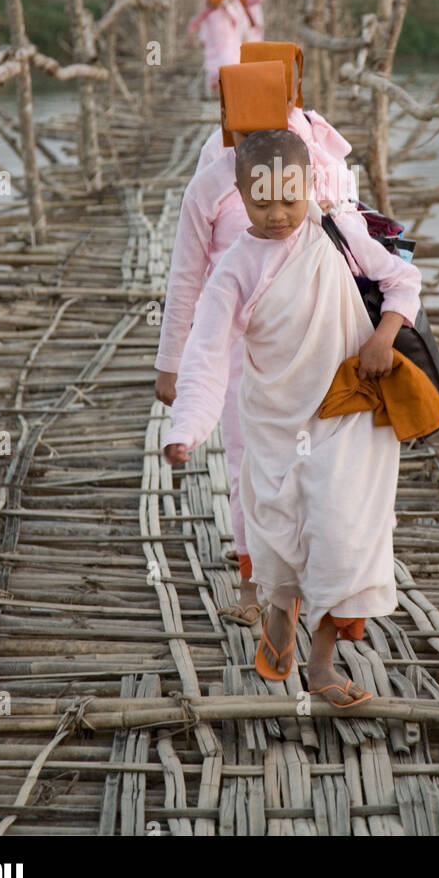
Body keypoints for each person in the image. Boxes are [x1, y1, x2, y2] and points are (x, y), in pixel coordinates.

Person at [162, 129, 422, 709]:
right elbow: (205, 357)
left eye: (290, 198)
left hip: (351, 410)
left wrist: (383, 337)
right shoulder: (233, 270)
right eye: (261, 202)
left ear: (310, 184)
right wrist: (186, 429)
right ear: (239, 194)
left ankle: (323, 666)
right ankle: (280, 613)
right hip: (278, 421)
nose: (277, 214)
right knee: (281, 534)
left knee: (340, 530)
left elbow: (403, 280)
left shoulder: (340, 229)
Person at [154, 61, 290, 626]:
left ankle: (302, 578)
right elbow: (186, 276)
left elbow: (349, 243)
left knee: (301, 462)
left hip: (302, 341)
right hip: (233, 338)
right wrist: (171, 363)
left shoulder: (309, 162)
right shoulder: (211, 178)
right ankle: (252, 590)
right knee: (243, 461)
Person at [195, 40, 357, 212]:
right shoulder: (222, 143)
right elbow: (200, 201)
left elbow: (344, 185)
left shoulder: (314, 130)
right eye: (271, 92)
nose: (281, 105)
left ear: (297, 89)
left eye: (287, 97)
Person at [187, 0, 264, 93]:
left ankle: (234, 81)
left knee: (235, 52)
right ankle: (230, 81)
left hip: (231, 57)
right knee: (228, 53)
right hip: (227, 59)